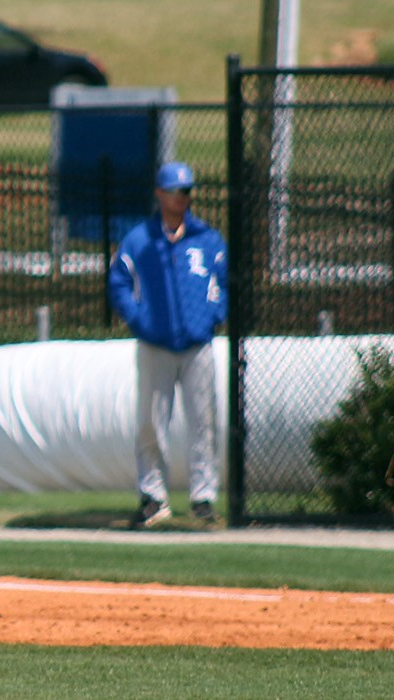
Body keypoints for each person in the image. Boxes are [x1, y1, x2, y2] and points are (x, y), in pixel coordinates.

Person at [107, 162, 228, 528]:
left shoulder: (206, 238)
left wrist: (212, 316)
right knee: (150, 423)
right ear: (160, 194)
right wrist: (139, 319)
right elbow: (118, 281)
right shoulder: (140, 240)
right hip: (155, 345)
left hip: (196, 345)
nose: (184, 198)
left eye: (188, 191)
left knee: (203, 423)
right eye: (177, 191)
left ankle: (203, 497)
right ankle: (153, 496)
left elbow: (224, 281)